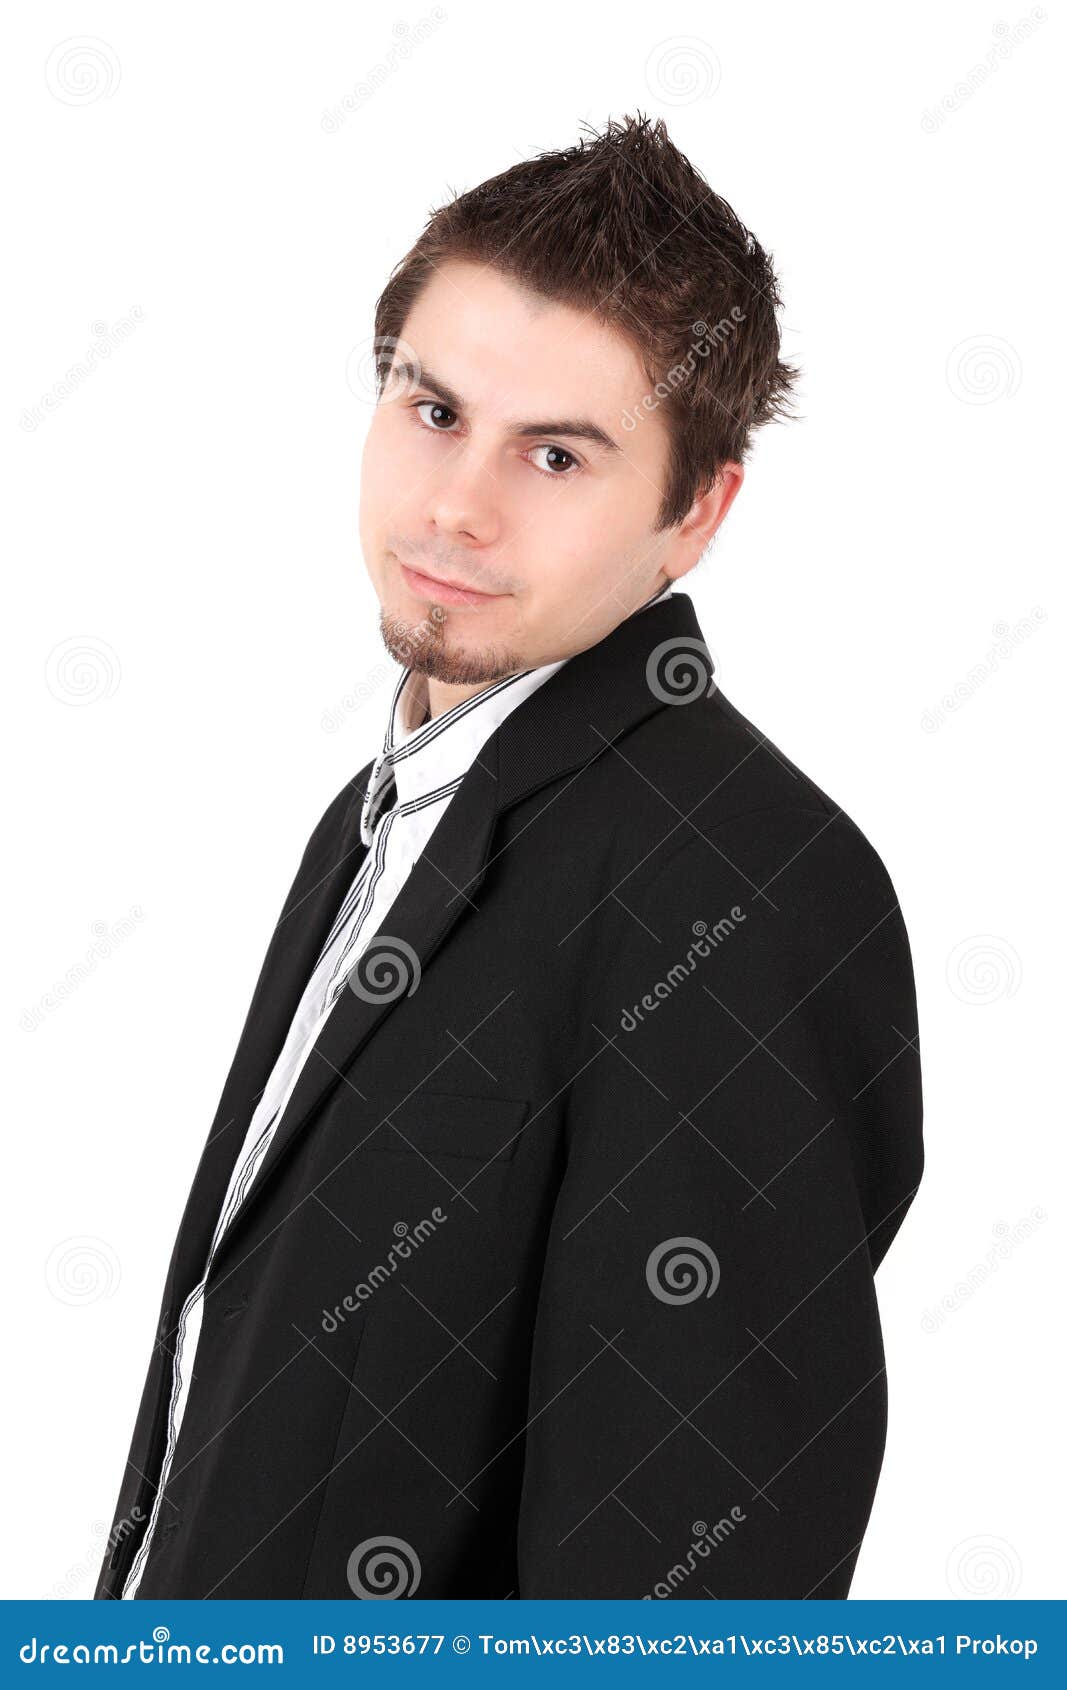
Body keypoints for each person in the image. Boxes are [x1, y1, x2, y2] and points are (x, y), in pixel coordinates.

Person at [96, 113, 922, 1601]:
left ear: (696, 512)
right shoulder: (384, 811)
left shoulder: (739, 887)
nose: (457, 506)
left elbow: (684, 1596)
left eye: (556, 452)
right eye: (432, 410)